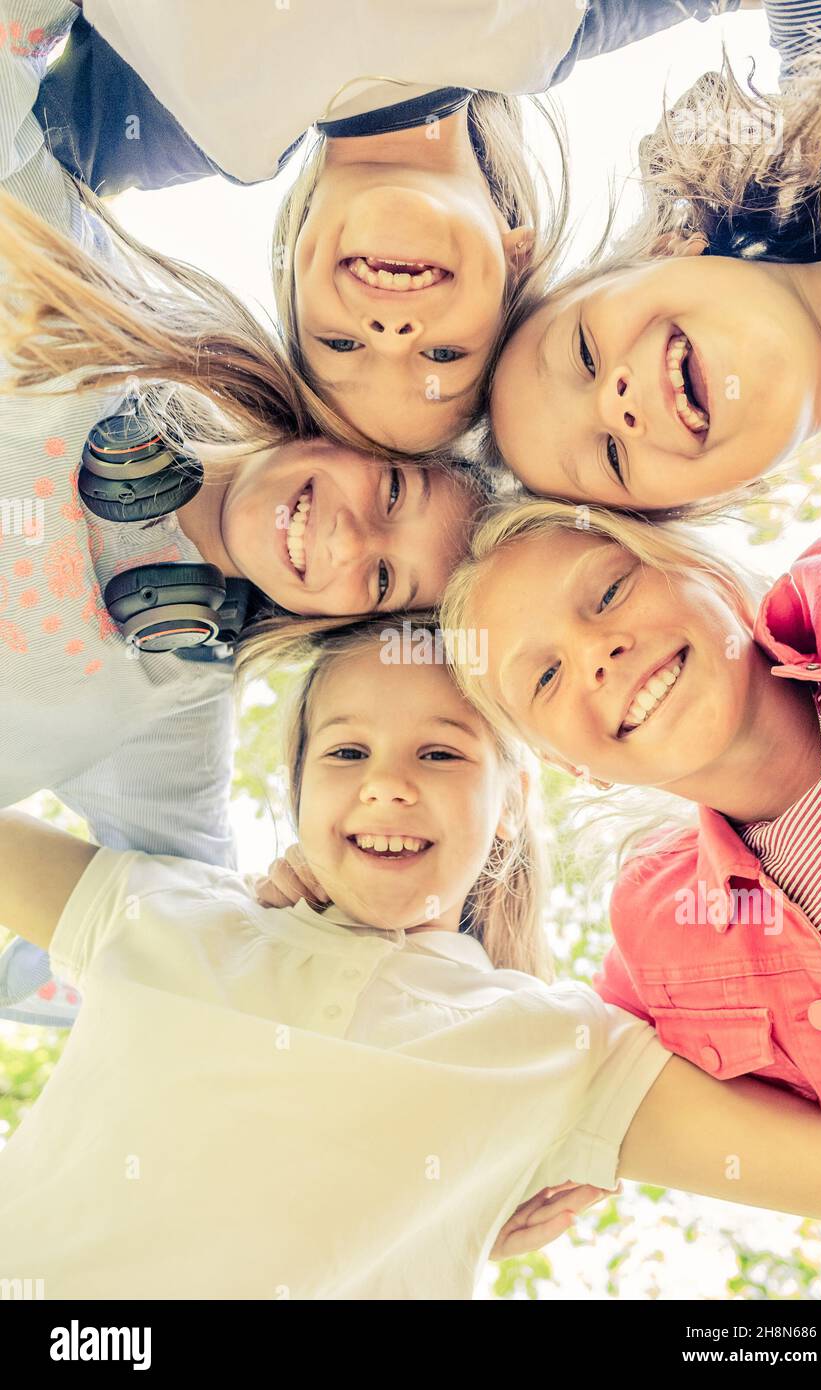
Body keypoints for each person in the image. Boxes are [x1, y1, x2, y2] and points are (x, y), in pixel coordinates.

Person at [2, 618, 821, 1299]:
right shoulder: (161, 911)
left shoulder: (556, 1050)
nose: (386, 784)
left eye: (441, 752)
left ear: (509, 801)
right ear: (295, 791)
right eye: (345, 752)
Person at [0, 1, 481, 1025]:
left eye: (385, 578)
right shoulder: (102, 322)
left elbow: (178, 948)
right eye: (391, 489)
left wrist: (313, 910)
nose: (350, 534)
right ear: (350, 424)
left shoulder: (173, 700)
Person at [439, 499, 821, 1280]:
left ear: (702, 570)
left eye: (605, 595)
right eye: (544, 675)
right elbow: (552, 1076)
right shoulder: (661, 935)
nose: (597, 654)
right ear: (573, 766)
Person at [34, 2, 755, 451]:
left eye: (339, 343)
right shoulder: (548, 29)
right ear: (517, 256)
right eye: (444, 357)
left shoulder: (199, 127)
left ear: (292, 266)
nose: (390, 337)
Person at [487, 0, 821, 510]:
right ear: (714, 498)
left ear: (662, 251)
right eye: (613, 460)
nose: (611, 403)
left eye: (584, 353)